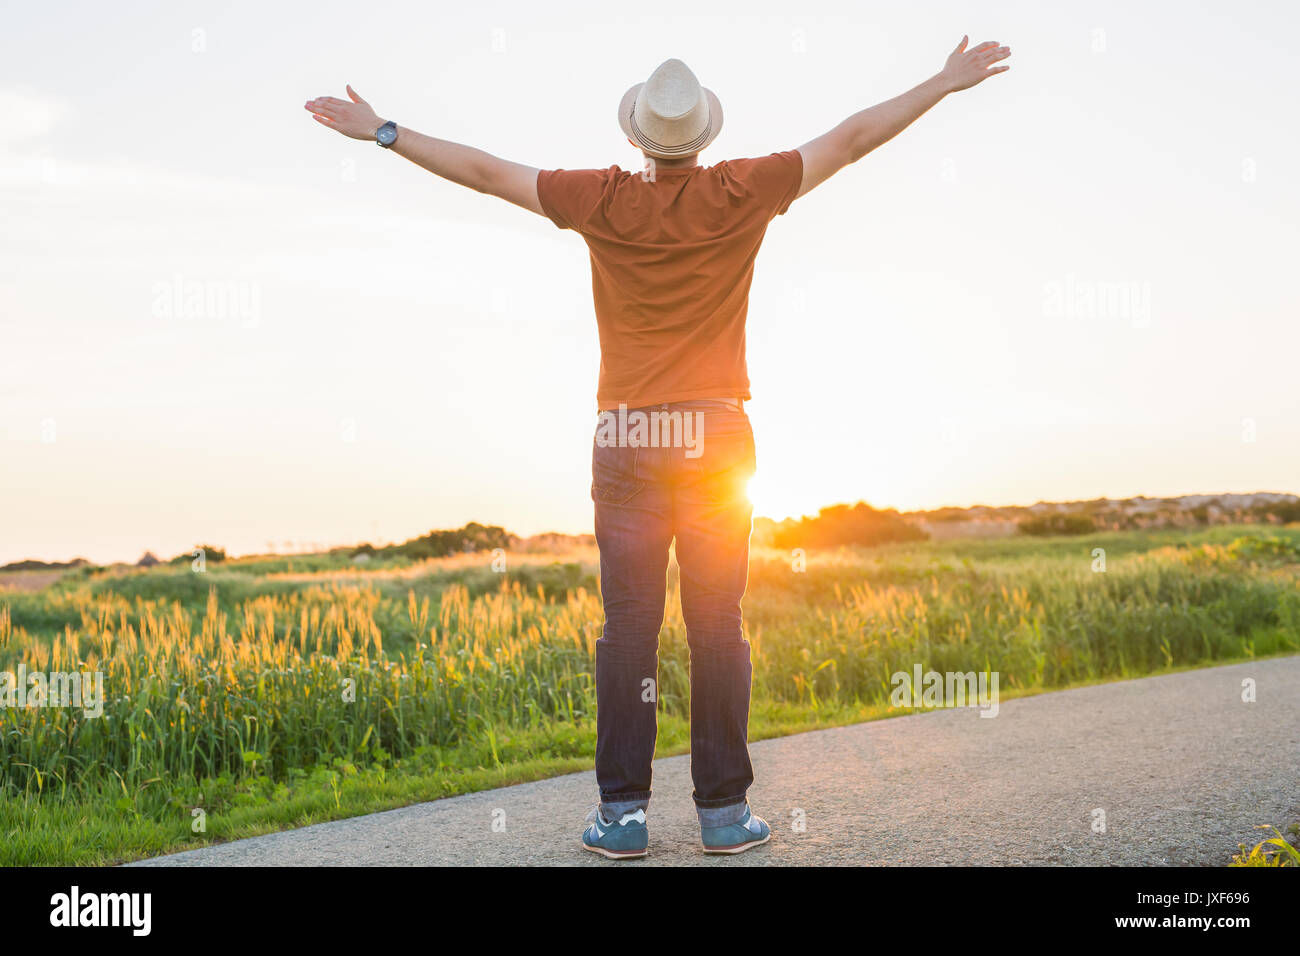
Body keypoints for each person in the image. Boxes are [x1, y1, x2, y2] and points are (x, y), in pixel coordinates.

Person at [304, 35, 1011, 859]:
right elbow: (852, 139)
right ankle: (721, 815)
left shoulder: (600, 198)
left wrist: (384, 131)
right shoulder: (748, 188)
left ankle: (622, 816)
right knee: (718, 626)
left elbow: (489, 173)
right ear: (702, 136)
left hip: (631, 432)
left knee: (628, 630)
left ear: (635, 137)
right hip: (716, 432)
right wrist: (943, 82)